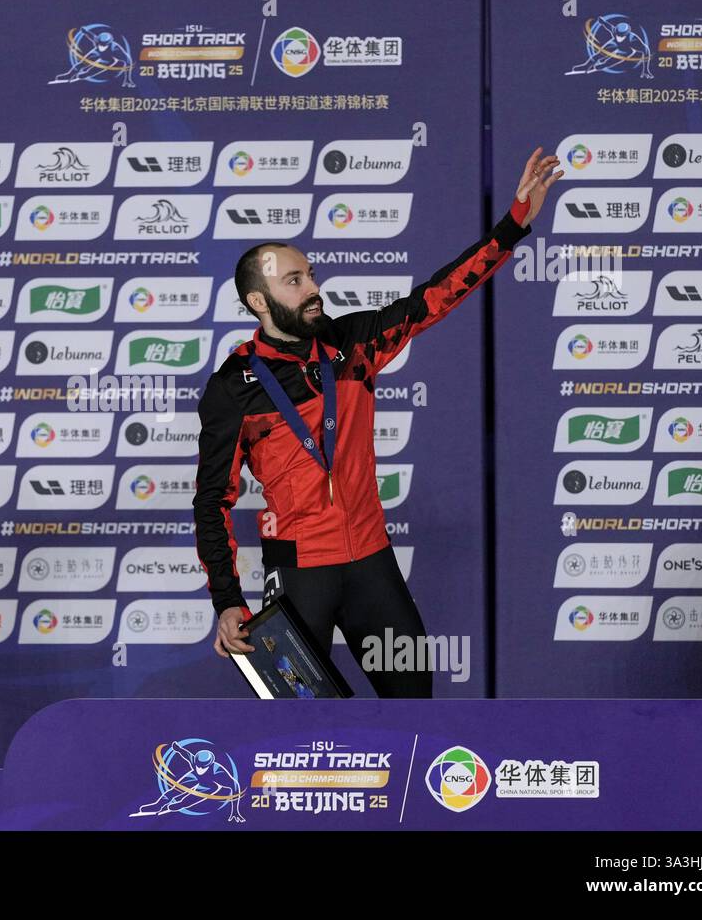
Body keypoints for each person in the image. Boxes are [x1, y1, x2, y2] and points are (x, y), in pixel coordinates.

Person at [194, 147, 562, 696]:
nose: (313, 288)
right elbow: (212, 502)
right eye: (293, 281)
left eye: (311, 275)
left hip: (371, 564)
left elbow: (436, 297)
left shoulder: (354, 343)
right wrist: (227, 601)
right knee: (298, 730)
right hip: (299, 577)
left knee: (413, 702)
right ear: (258, 300)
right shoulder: (233, 388)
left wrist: (513, 226)